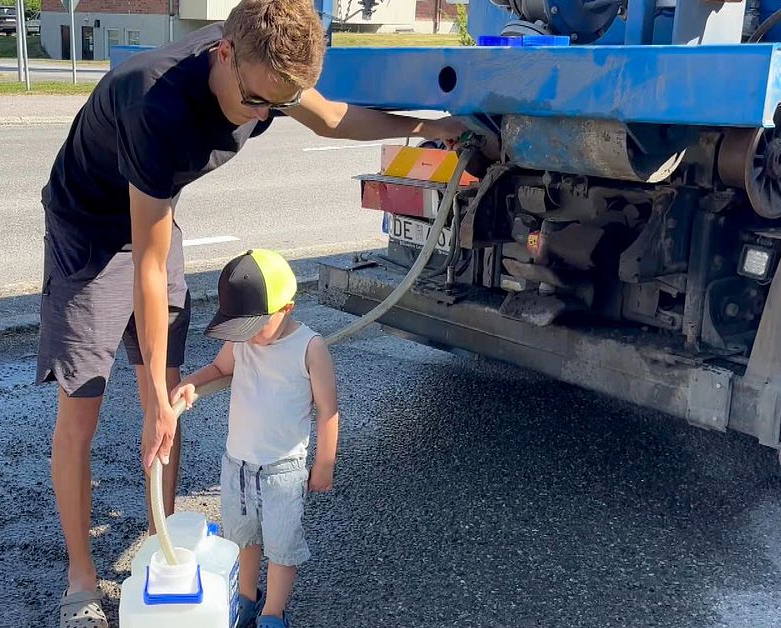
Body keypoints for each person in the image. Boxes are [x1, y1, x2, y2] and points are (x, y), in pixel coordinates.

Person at [40, 0, 466, 624]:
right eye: (256, 102)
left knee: (169, 396)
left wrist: (425, 130)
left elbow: (330, 120)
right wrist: (156, 393)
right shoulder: (155, 105)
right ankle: (81, 580)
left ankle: (166, 551)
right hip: (88, 231)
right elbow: (147, 271)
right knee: (87, 404)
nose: (265, 115)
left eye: (277, 104)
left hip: (153, 218)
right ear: (223, 54)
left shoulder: (268, 68)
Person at [171, 249, 338, 628]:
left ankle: (272, 613)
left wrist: (324, 463)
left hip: (282, 468)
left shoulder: (309, 348)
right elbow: (218, 367)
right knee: (243, 538)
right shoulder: (241, 339)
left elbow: (328, 410)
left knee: (281, 546)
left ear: (288, 308)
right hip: (237, 465)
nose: (246, 335)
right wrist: (190, 384)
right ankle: (247, 598)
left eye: (254, 325)